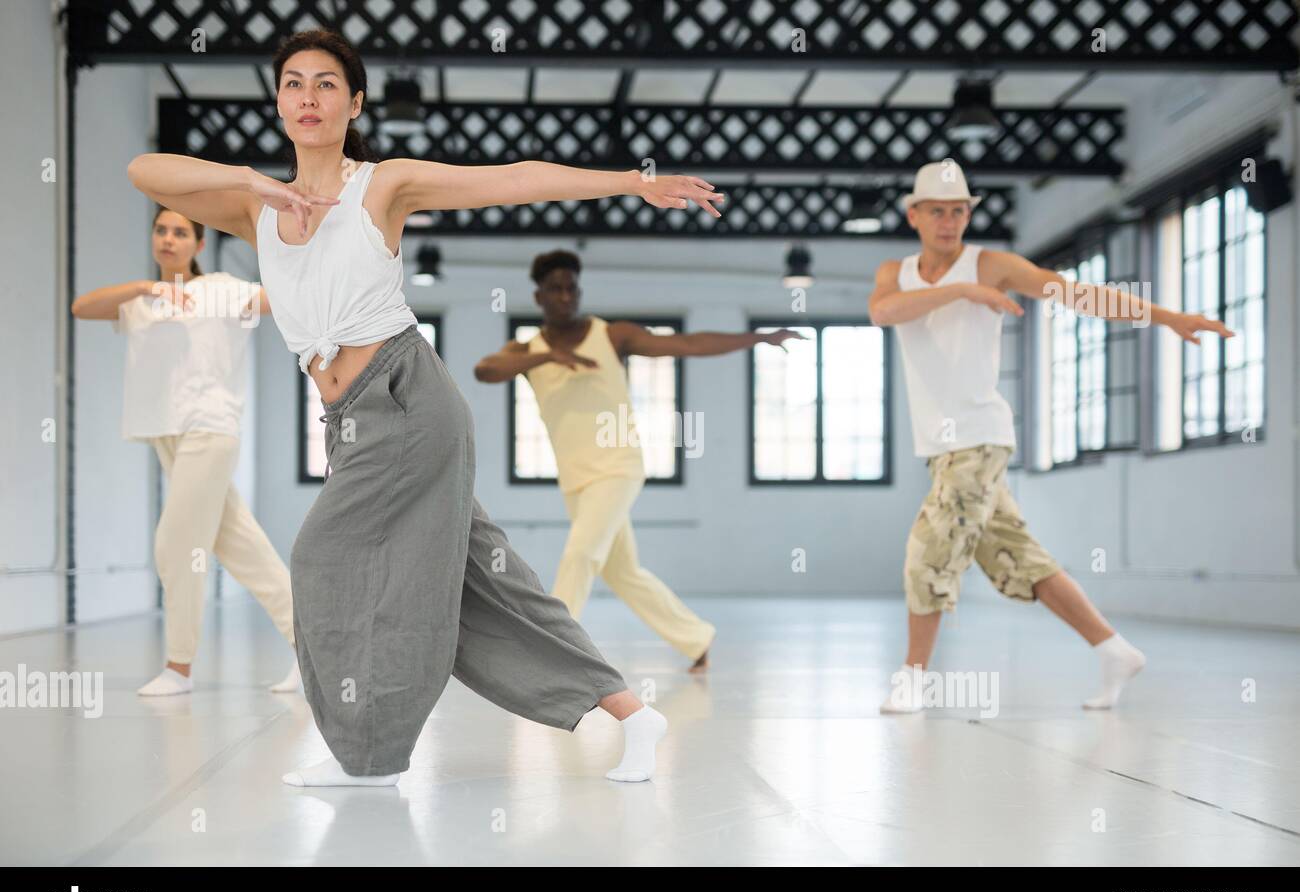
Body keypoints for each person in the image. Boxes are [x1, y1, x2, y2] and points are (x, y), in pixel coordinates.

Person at [125, 28, 726, 786]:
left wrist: (632, 182)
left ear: (355, 102)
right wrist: (257, 182)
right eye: (293, 84)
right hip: (351, 425)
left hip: (407, 401)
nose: (308, 98)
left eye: (326, 84)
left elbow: (513, 179)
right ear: (278, 102)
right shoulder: (255, 211)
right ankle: (635, 718)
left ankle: (365, 751)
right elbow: (144, 169)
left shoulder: (381, 185)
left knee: (320, 557)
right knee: (483, 589)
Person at [867, 160, 1233, 713]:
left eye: (959, 211)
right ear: (913, 214)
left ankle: (914, 676)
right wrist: (965, 292)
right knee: (1019, 558)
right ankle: (1114, 649)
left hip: (979, 437)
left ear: (969, 213)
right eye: (937, 211)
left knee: (929, 551)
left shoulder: (994, 264)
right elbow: (883, 313)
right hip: (941, 447)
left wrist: (1167, 317)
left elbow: (1077, 293)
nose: (948, 221)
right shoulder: (895, 271)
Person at [474, 249, 802, 672]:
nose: (565, 296)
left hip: (619, 467)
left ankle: (552, 650)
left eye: (571, 288)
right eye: (555, 289)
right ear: (539, 297)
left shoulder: (611, 336)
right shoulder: (526, 349)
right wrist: (548, 357)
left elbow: (685, 344)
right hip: (576, 478)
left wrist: (757, 338)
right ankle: (696, 638)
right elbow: (486, 370)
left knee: (581, 554)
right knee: (622, 572)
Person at [71, 207, 300, 696]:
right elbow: (81, 307)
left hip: (209, 431)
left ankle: (179, 667)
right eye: (161, 230)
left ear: (198, 245)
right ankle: (313, 651)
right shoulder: (139, 302)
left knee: (176, 547)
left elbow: (281, 300)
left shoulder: (220, 289)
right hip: (166, 434)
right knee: (245, 549)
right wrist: (144, 288)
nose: (168, 238)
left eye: (180, 232)